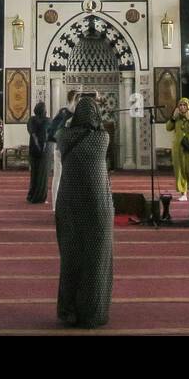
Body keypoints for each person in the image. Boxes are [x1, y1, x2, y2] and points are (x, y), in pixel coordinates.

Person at [54, 95, 113, 329]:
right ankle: (93, 312)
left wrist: (67, 112)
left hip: (69, 204)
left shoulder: (65, 137)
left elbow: (54, 130)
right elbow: (100, 123)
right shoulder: (103, 138)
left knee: (71, 257)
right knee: (96, 259)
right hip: (97, 206)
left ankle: (69, 311)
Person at [47, 90, 78, 211]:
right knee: (62, 178)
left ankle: (57, 207)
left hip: (61, 149)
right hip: (67, 151)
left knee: (58, 178)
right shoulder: (70, 113)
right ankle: (58, 207)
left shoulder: (63, 111)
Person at [165, 96, 189, 202]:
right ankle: (183, 192)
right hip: (178, 148)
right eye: (180, 105)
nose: (182, 107)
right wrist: (173, 118)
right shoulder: (177, 117)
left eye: (184, 105)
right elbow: (168, 127)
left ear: (188, 106)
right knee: (180, 169)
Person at [26, 101, 51, 204]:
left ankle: (32, 195)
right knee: (43, 175)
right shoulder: (48, 120)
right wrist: (42, 147)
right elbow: (46, 136)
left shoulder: (31, 120)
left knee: (34, 174)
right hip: (44, 151)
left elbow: (33, 134)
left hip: (33, 150)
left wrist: (37, 145)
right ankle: (40, 197)